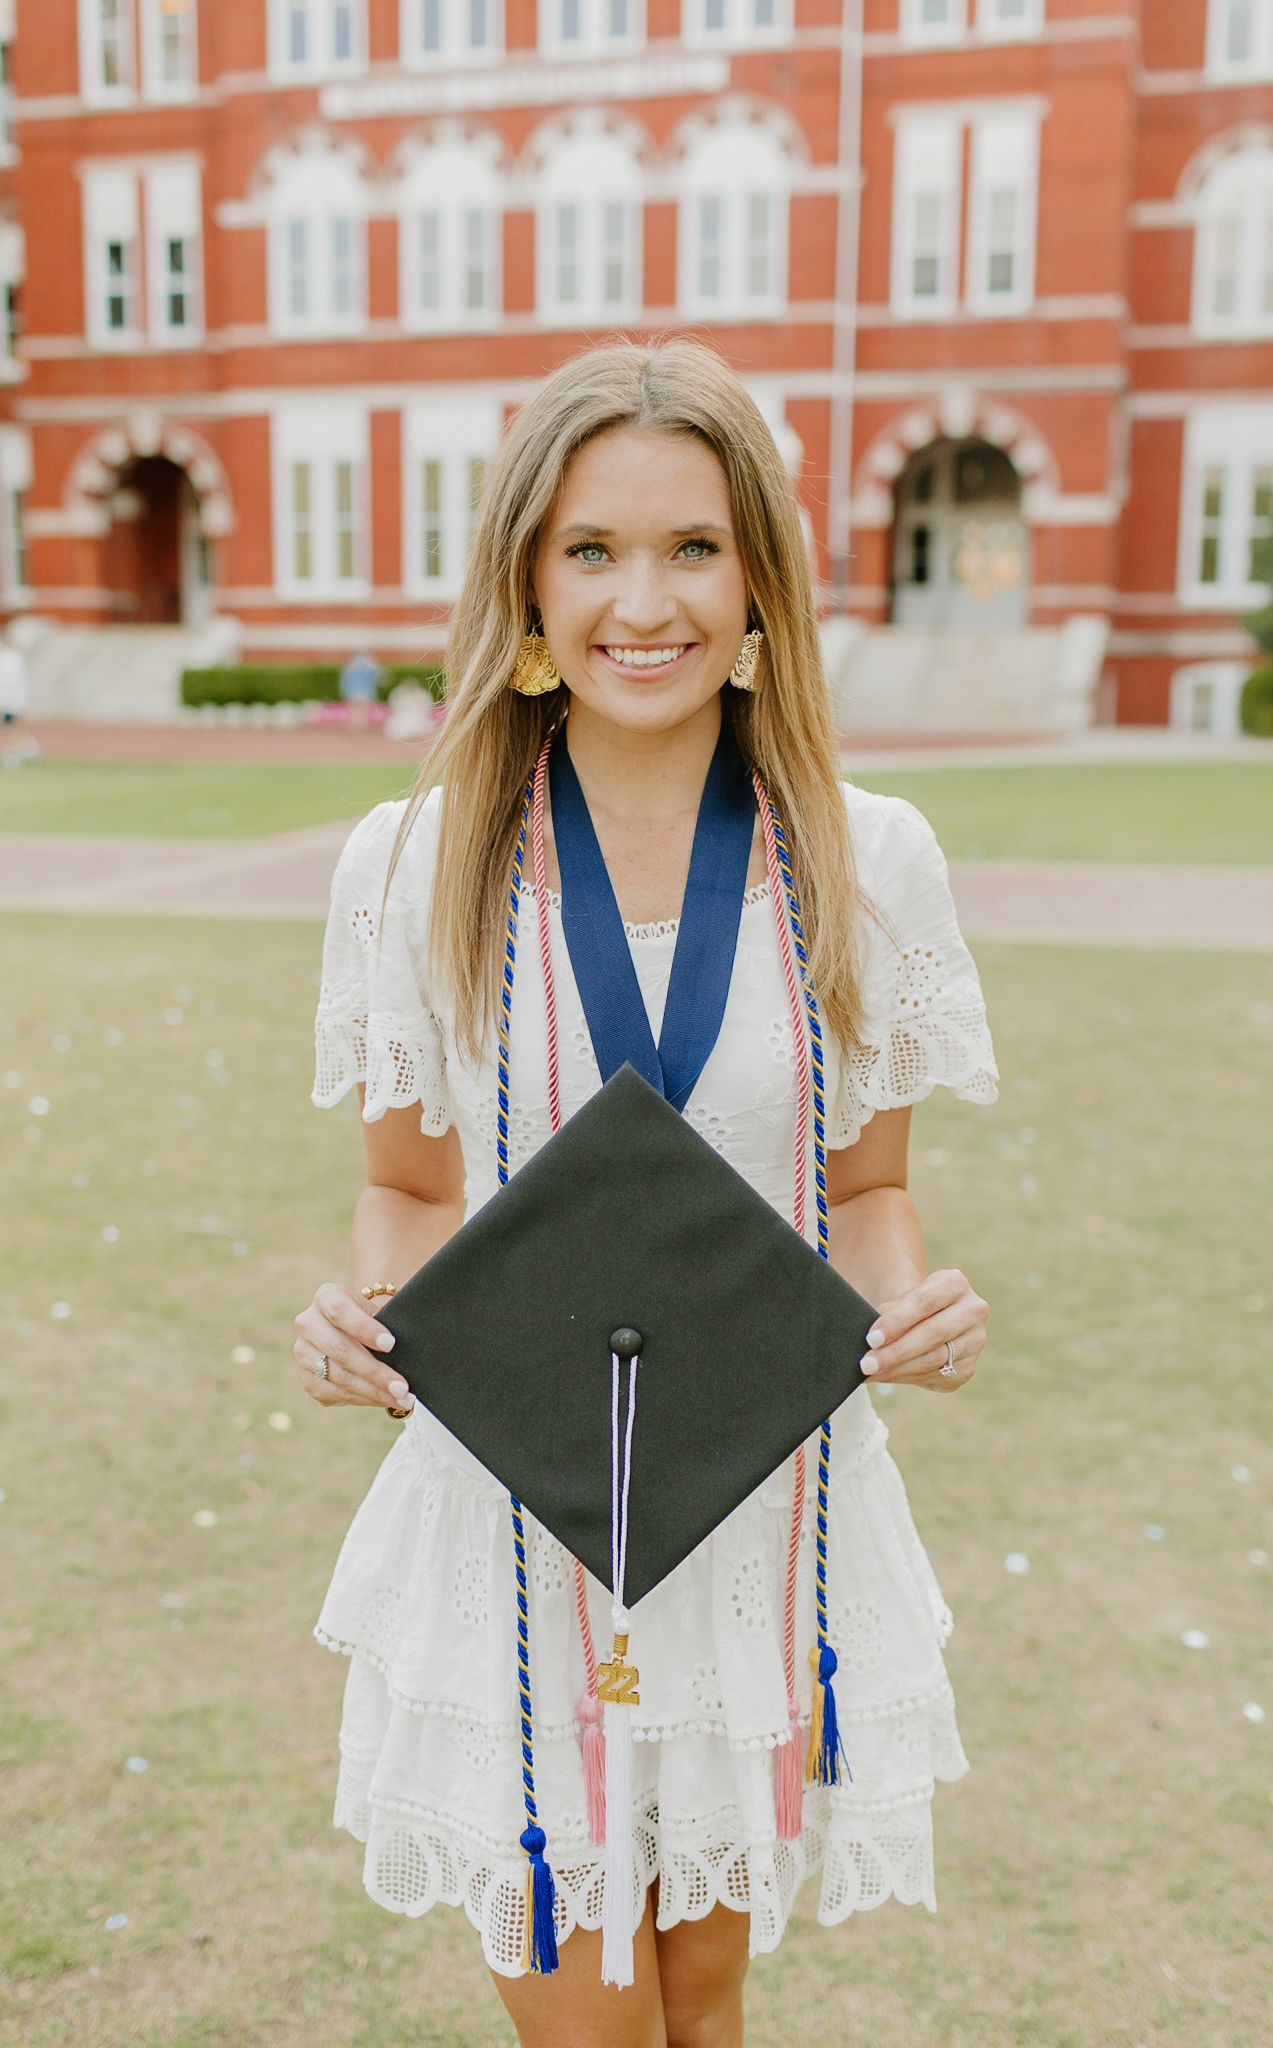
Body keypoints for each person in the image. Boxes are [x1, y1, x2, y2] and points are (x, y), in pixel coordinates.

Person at [296, 339, 996, 2048]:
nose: (643, 602)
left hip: (751, 1496)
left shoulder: (862, 854)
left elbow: (864, 1190)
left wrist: (911, 1303)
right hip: (522, 1504)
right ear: (528, 581)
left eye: (692, 546)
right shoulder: (415, 859)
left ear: (757, 576)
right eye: (592, 550)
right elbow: (404, 1190)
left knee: (701, 1999)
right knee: (590, 2020)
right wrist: (366, 1319)